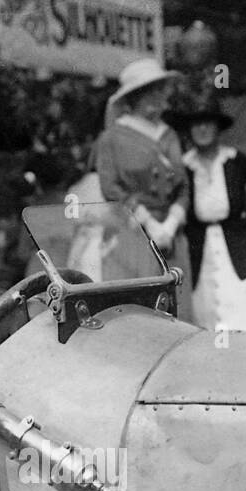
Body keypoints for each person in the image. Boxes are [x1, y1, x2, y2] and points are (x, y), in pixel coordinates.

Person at [169, 97, 246, 331]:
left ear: (218, 127)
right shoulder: (183, 166)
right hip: (198, 255)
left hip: (237, 252)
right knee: (204, 322)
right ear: (189, 130)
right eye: (196, 124)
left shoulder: (234, 160)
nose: (202, 129)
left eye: (207, 123)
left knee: (245, 316)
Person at [93, 58, 192, 319]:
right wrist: (149, 223)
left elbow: (183, 186)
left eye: (161, 89)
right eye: (150, 90)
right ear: (134, 97)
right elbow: (111, 189)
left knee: (176, 313)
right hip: (131, 235)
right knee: (137, 315)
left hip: (171, 239)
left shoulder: (169, 134)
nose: (158, 97)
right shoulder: (112, 138)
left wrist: (170, 224)